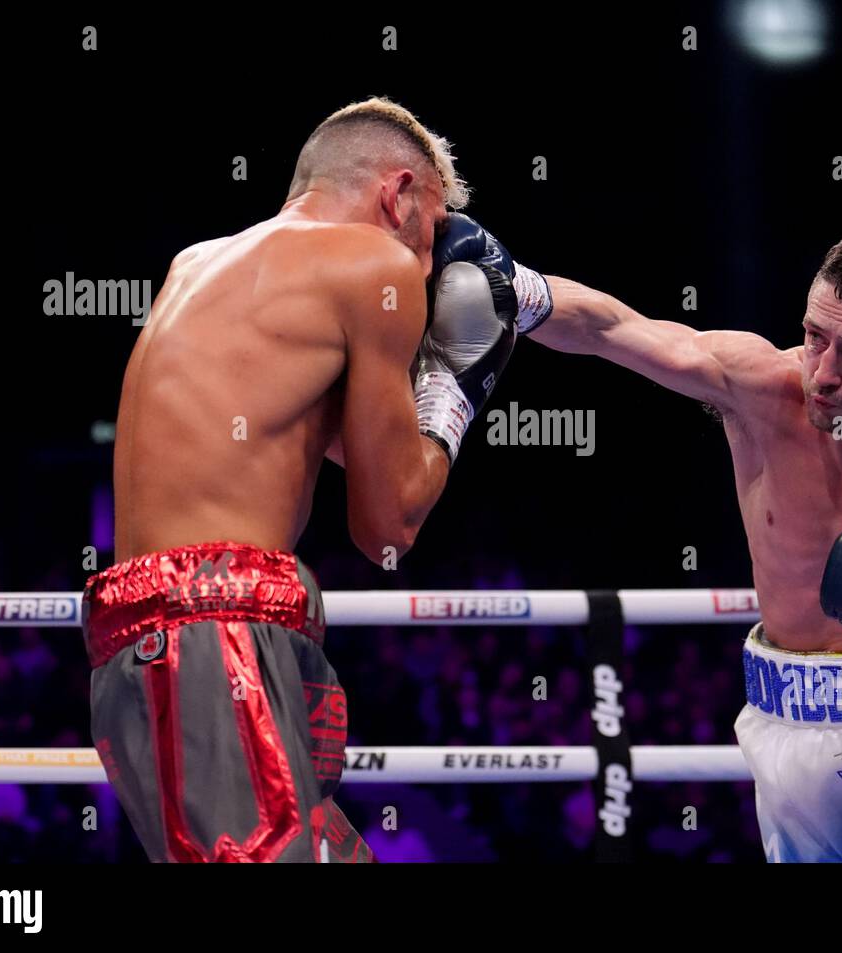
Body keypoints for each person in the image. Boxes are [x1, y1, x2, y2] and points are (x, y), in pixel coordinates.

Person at [83, 98, 542, 862]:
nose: (426, 267)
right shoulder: (376, 266)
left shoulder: (195, 264)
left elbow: (331, 442)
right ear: (395, 196)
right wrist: (457, 388)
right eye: (429, 232)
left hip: (159, 633)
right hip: (216, 626)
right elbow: (388, 523)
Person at [509, 225, 842, 862]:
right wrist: (507, 285)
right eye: (815, 336)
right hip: (788, 724)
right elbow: (609, 328)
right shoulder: (759, 389)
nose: (822, 373)